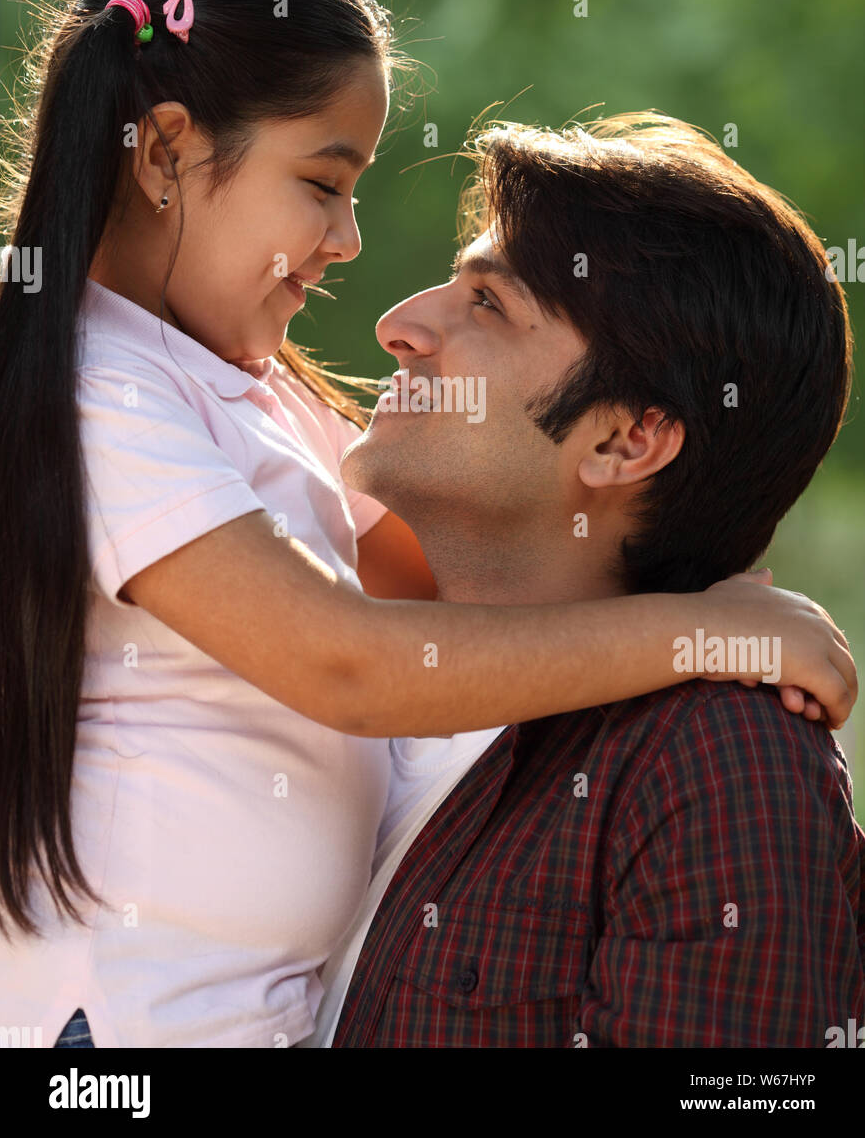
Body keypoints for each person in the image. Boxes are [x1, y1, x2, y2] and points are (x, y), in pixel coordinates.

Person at [0, 0, 854, 1049]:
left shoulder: (245, 392)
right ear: (161, 153)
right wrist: (712, 634)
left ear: (626, 439)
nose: (363, 265)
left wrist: (710, 614)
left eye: (488, 302)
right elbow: (349, 657)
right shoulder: (96, 394)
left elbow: (439, 596)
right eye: (322, 183)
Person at [294, 114, 863, 1048]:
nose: (399, 325)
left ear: (625, 440)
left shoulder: (718, 760)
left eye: (489, 305)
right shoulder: (319, 658)